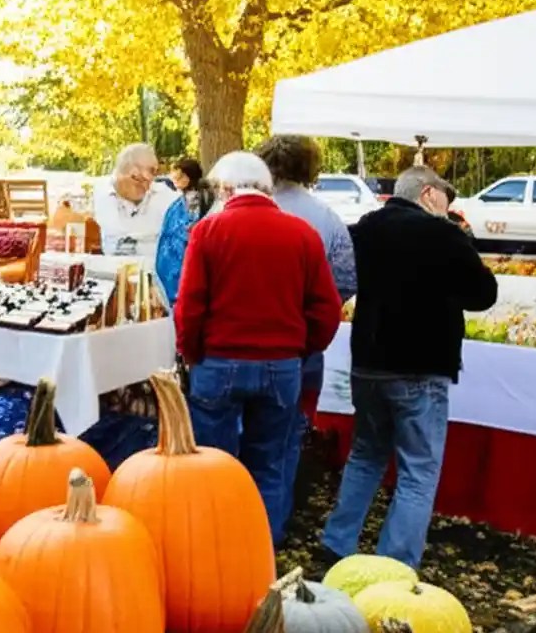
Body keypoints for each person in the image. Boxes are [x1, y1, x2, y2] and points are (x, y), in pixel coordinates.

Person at [321, 166, 497, 569]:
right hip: (422, 366)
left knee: (365, 455)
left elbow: (341, 281)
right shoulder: (443, 234)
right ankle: (395, 563)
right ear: (430, 194)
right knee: (418, 471)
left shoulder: (363, 229)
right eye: (446, 201)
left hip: (368, 362)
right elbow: (483, 294)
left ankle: (337, 542)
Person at [174, 151, 342, 545]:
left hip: (218, 361)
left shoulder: (209, 231)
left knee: (214, 463)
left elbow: (190, 305)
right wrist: (301, 348)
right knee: (272, 461)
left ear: (227, 188)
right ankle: (261, 546)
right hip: (282, 363)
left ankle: (214, 544)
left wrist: (191, 353)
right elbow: (327, 309)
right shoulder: (302, 234)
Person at [256, 135, 358, 540]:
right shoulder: (326, 219)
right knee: (285, 441)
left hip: (234, 345)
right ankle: (272, 528)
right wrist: (312, 329)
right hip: (299, 346)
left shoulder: (233, 210)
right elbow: (344, 284)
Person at [93, 143, 176, 264]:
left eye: (151, 176)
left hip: (157, 273)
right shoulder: (99, 194)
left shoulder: (167, 197)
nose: (146, 185)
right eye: (137, 179)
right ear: (121, 173)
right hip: (113, 272)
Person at [154, 157, 215, 306]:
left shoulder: (197, 200)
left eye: (180, 176)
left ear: (189, 177)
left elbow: (192, 226)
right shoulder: (181, 200)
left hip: (182, 255)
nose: (175, 180)